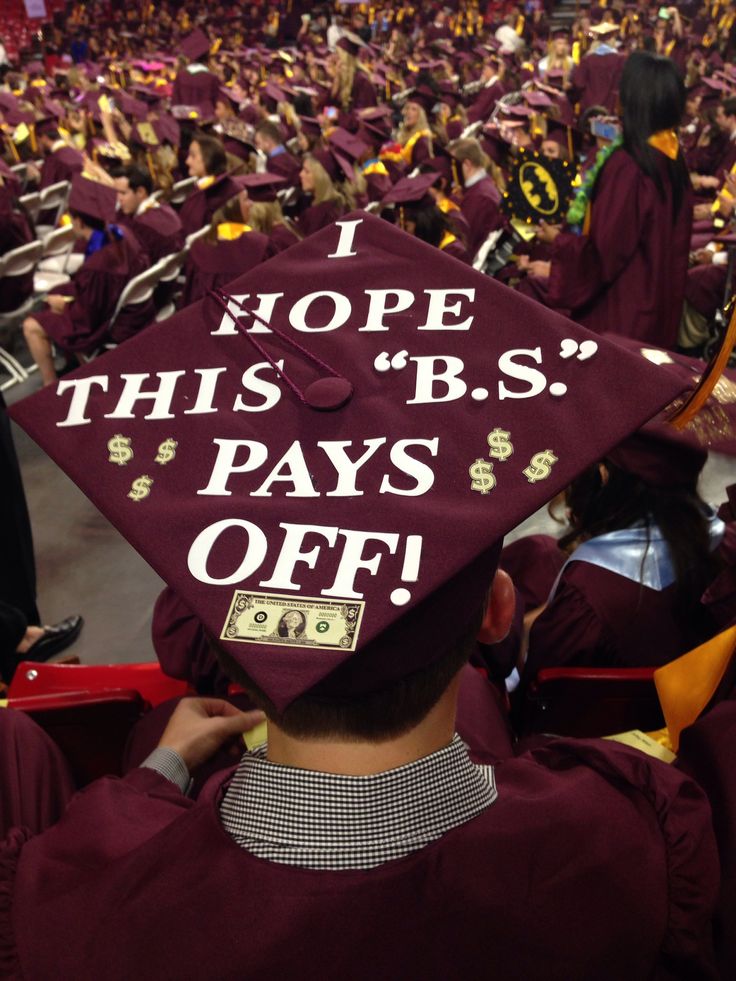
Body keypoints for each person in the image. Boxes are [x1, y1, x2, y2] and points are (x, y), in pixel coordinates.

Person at [2, 213, 719, 979]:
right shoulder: (625, 855)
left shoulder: (70, 913)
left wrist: (163, 770)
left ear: (220, 632)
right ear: (496, 609)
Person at [531, 51, 693, 350]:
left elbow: (604, 255)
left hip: (620, 315)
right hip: (656, 305)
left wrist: (559, 242)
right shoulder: (671, 156)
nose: (617, 96)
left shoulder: (629, 166)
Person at [22, 176, 152, 385]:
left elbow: (88, 317)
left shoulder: (97, 266)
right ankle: (72, 364)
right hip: (133, 310)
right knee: (59, 288)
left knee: (31, 325)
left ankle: (50, 385)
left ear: (79, 221)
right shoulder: (123, 233)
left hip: (108, 323)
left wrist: (63, 305)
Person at [112, 163, 184, 263]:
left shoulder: (140, 227)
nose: (118, 199)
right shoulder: (167, 210)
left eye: (123, 193)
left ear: (141, 192)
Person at [450, 137, 505, 259]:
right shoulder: (479, 187)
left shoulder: (481, 198)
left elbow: (465, 242)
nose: (451, 171)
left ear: (467, 165)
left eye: (453, 165)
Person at [178, 134, 241, 237]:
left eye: (193, 156)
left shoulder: (210, 197)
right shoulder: (223, 186)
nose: (187, 161)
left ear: (208, 158)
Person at [296, 155, 346, 236]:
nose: (301, 174)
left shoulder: (316, 215)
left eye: (306, 171)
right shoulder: (340, 202)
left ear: (320, 177)